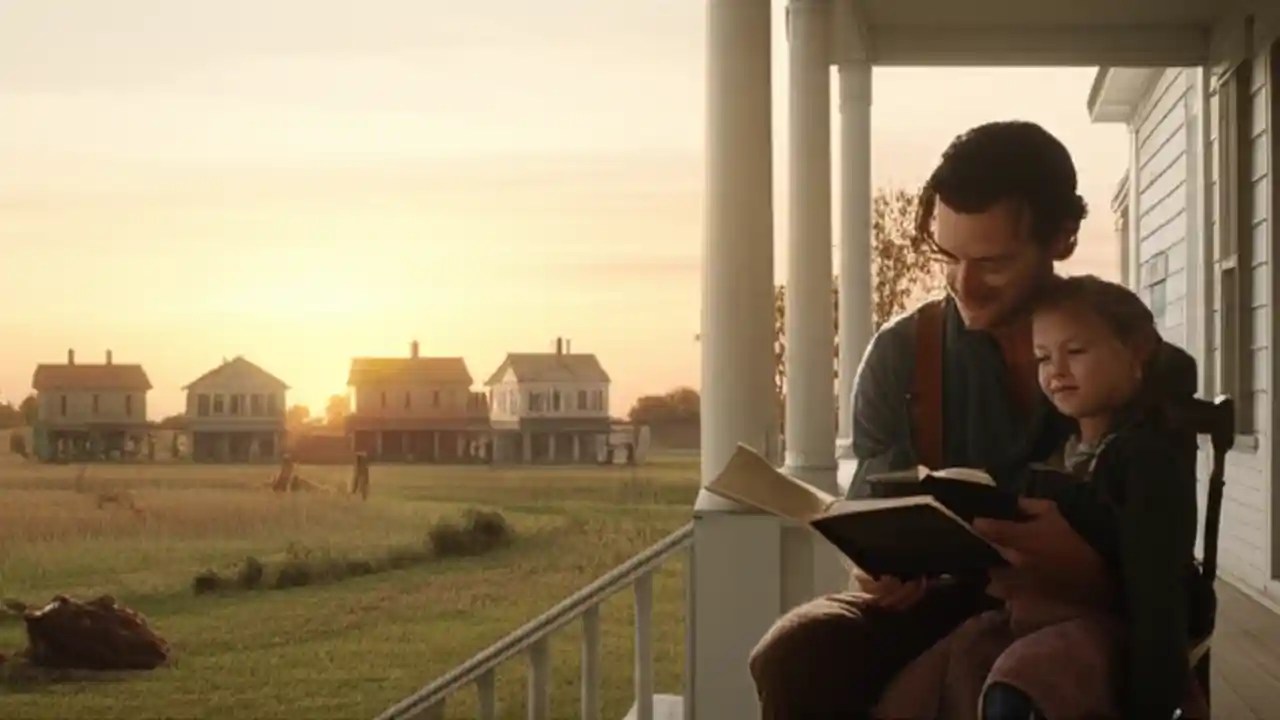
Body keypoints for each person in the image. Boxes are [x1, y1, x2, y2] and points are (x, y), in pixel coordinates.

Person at [747, 120, 1195, 718]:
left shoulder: (1133, 363)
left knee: (1032, 681)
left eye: (993, 263)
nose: (964, 285)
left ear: (1062, 239)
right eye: (948, 257)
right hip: (940, 604)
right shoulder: (900, 358)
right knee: (793, 654)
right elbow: (872, 513)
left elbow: (1163, 569)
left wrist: (1087, 568)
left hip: (1097, 613)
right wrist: (878, 566)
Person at [873, 275, 1207, 719]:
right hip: (1025, 616)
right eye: (1043, 358)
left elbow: (1158, 593)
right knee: (933, 676)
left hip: (1107, 626)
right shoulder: (1049, 449)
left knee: (1022, 677)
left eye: (1076, 352)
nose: (1056, 372)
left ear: (1137, 351)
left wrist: (1153, 703)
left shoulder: (1148, 460)